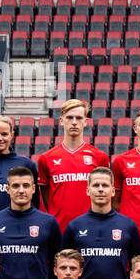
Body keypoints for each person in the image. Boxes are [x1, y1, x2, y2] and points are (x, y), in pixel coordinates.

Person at [0, 166, 62, 279]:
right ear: (7, 189)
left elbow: (57, 260)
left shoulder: (48, 222)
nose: (21, 190)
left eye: (26, 186)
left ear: (33, 189)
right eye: (15, 186)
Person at [36, 99, 110, 231]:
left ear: (85, 122)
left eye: (79, 118)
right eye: (70, 117)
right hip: (59, 229)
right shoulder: (46, 158)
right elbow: (47, 197)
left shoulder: (99, 157)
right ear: (61, 121)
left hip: (93, 228)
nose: (74, 122)